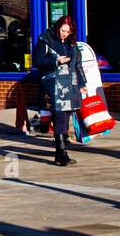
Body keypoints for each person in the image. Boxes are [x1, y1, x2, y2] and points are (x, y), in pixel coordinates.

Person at [33, 15, 89, 167]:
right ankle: (61, 153)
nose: (65, 34)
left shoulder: (72, 44)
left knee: (68, 115)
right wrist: (56, 61)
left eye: (68, 32)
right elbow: (37, 62)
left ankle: (62, 145)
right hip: (54, 82)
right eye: (63, 31)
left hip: (71, 83)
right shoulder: (46, 40)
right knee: (60, 116)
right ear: (58, 28)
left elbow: (78, 65)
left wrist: (83, 83)